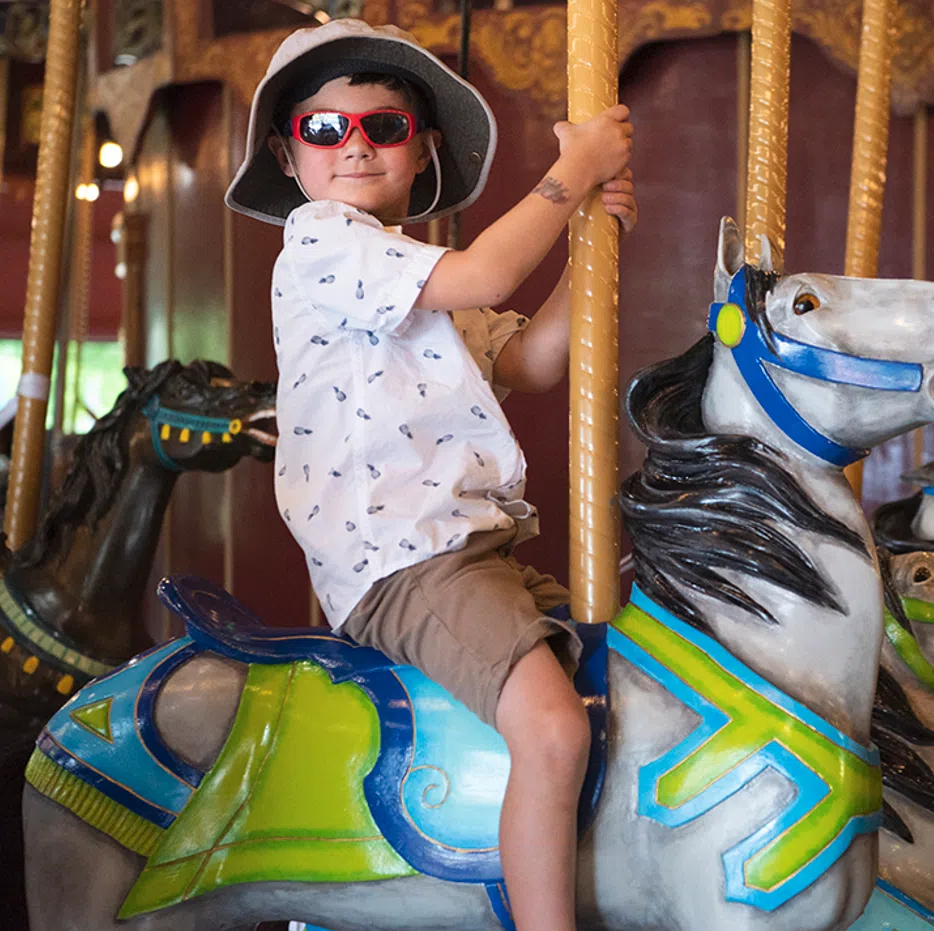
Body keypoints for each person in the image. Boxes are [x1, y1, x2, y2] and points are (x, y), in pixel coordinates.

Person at [224, 18, 636, 931]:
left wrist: (590, 246)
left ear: (423, 150)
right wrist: (570, 177)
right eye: (324, 130)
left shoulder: (410, 273)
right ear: (291, 159)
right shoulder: (323, 244)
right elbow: (490, 274)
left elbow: (532, 361)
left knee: (621, 683)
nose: (355, 146)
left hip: (465, 551)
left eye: (384, 127)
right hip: (402, 560)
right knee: (556, 727)